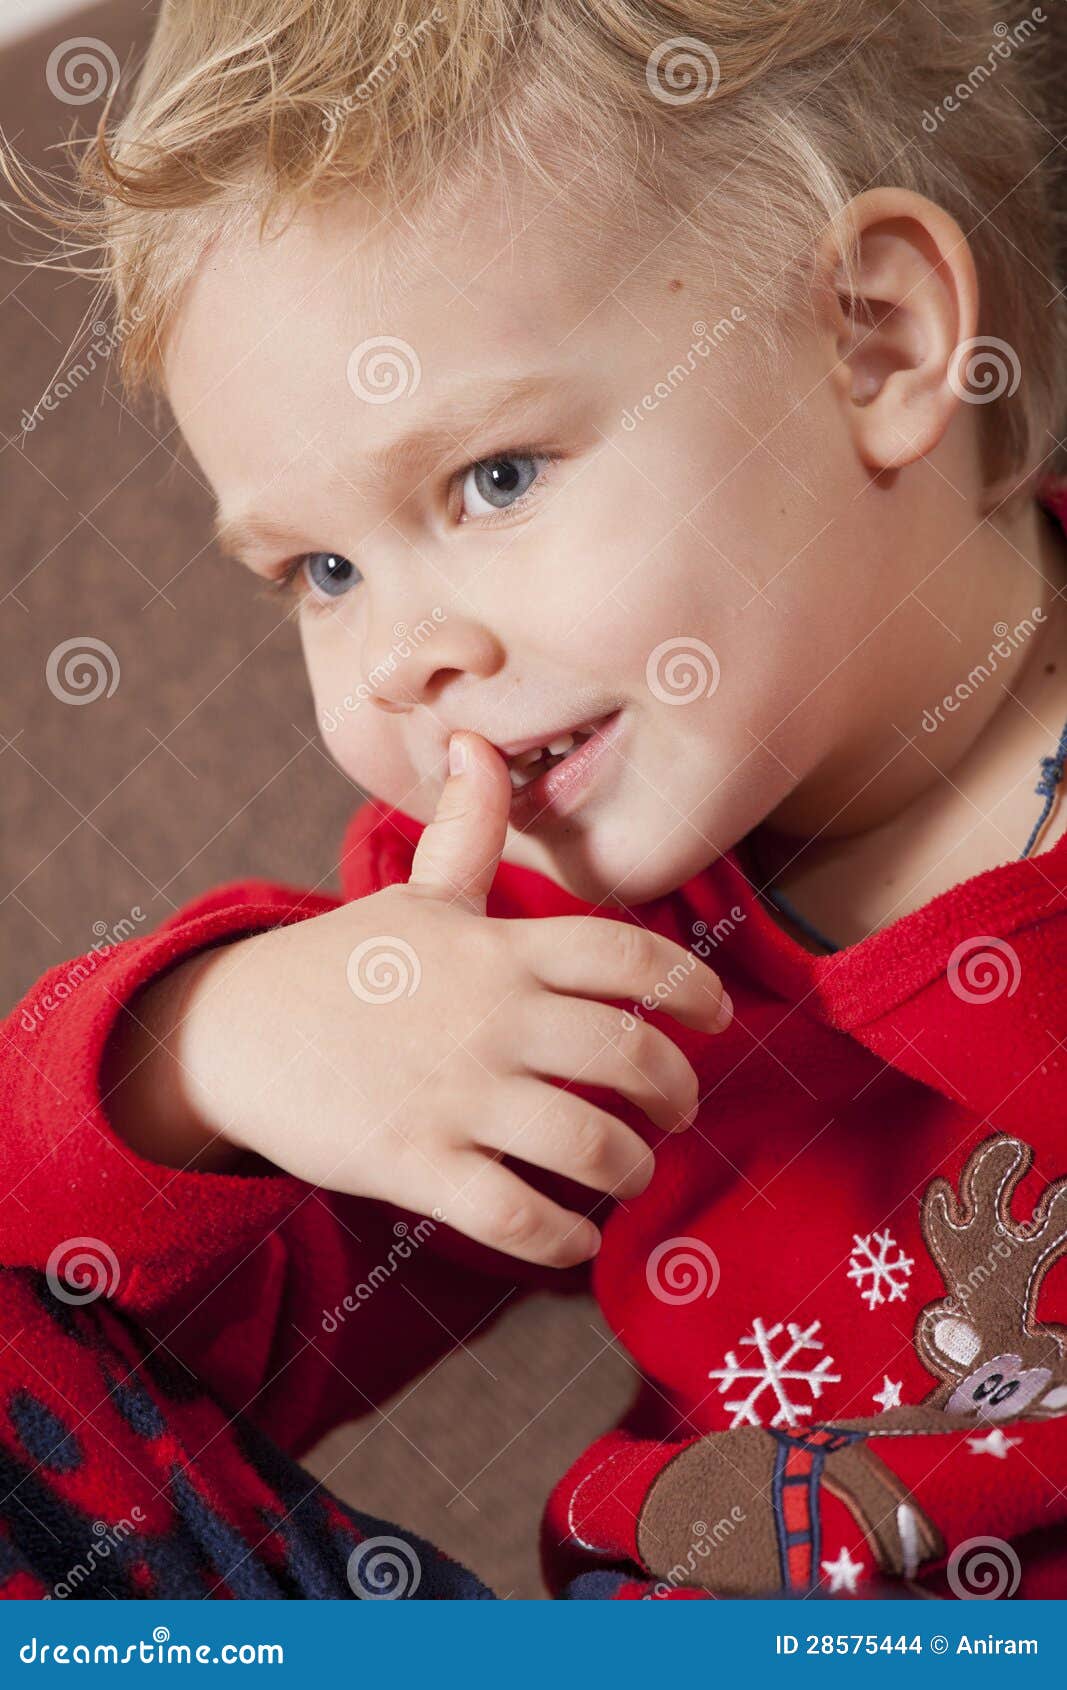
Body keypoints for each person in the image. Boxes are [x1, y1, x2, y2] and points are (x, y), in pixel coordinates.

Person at [2, 0, 1067, 1598]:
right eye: (325, 570)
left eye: (493, 478)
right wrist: (207, 1047)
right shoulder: (535, 905)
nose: (411, 657)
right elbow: (132, 1321)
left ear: (879, 341)